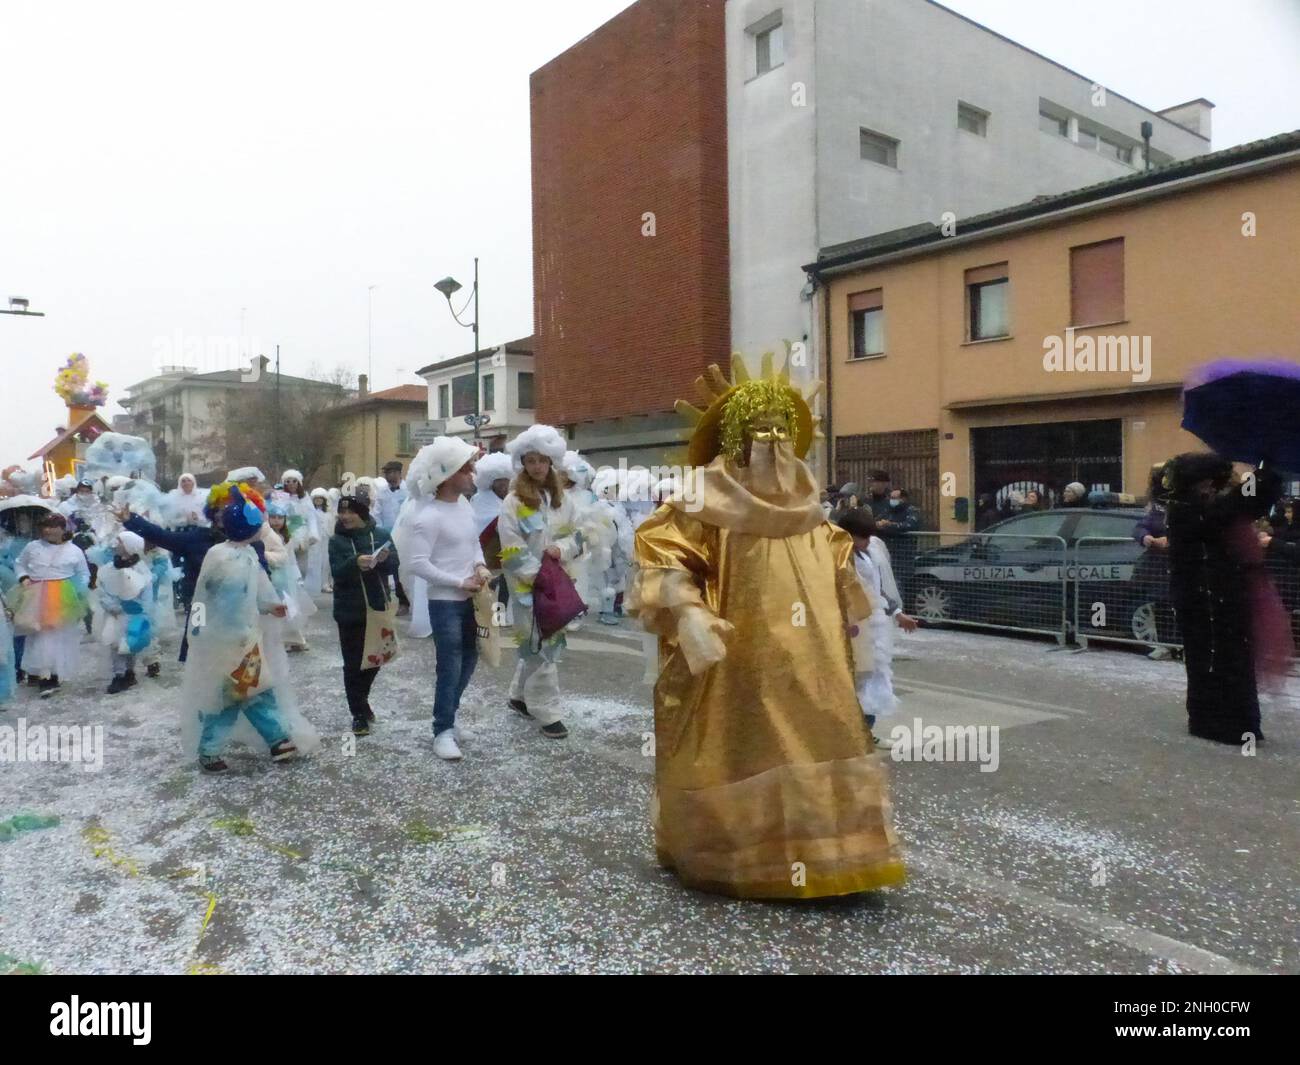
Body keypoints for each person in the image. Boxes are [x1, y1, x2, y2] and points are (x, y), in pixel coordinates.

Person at [630, 354, 904, 899]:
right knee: (746, 739)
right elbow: (665, 559)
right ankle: (741, 857)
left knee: (819, 734)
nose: (773, 440)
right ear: (736, 436)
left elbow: (837, 563)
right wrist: (688, 612)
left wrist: (860, 622)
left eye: (782, 429)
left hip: (815, 657)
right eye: (759, 428)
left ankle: (828, 856)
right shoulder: (703, 498)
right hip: (738, 653)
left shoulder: (809, 503)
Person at [181, 484, 319, 773]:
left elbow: (258, 587)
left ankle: (277, 741)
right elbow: (206, 596)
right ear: (248, 529)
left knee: (253, 690)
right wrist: (199, 629)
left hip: (246, 638)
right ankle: (215, 749)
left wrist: (271, 605)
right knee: (231, 696)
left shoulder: (248, 555)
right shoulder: (220, 556)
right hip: (224, 640)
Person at [1165, 453, 1290, 745]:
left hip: (1215, 601)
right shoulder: (1188, 510)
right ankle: (1220, 724)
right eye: (1210, 483)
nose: (1213, 489)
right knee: (1216, 662)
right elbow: (1235, 506)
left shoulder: (1194, 509)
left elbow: (1241, 505)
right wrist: (1264, 473)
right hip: (1207, 604)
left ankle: (1227, 722)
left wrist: (1264, 472)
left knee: (1224, 662)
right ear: (1199, 483)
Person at [392, 438, 490, 760]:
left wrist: (479, 565)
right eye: (466, 469)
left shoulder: (464, 507)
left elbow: (474, 543)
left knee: (470, 658)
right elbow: (418, 564)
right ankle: (442, 730)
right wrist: (459, 581)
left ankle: (450, 715)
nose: (472, 474)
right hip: (444, 601)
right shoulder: (428, 516)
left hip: (470, 598)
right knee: (450, 664)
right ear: (447, 475)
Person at [498, 424, 583, 739]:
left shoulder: (563, 501)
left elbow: (579, 535)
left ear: (551, 462)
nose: (537, 466)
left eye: (542, 460)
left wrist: (562, 549)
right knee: (541, 644)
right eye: (531, 461)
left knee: (541, 643)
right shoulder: (513, 502)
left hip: (556, 584)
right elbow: (510, 545)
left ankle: (519, 696)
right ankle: (548, 712)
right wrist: (536, 576)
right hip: (527, 587)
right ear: (523, 463)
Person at [838, 507, 919, 743]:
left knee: (872, 675)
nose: (866, 542)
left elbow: (878, 588)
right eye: (861, 537)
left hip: (874, 624)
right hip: (853, 625)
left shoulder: (868, 554)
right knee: (857, 677)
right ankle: (854, 734)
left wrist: (897, 613)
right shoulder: (839, 558)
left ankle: (866, 732)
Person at [329, 495, 400, 737]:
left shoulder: (380, 535)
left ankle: (362, 698)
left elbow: (394, 565)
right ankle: (358, 713)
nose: (345, 517)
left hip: (377, 607)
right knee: (353, 664)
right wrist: (355, 562)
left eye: (351, 512)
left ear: (363, 513)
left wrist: (383, 560)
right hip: (349, 610)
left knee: (375, 659)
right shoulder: (336, 540)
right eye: (342, 512)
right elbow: (337, 572)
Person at [13, 513, 91, 697]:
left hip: (62, 595)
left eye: (52, 526)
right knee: (37, 633)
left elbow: (83, 573)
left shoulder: (74, 550)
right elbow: (19, 563)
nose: (47, 530)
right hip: (36, 592)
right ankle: (40, 670)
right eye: (45, 526)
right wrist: (23, 578)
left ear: (62, 529)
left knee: (57, 635)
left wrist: (79, 591)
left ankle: (50, 674)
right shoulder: (33, 547)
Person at [92, 530, 154, 694]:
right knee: (115, 644)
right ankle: (119, 674)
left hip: (134, 612)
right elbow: (102, 588)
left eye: (120, 541)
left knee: (130, 643)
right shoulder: (109, 568)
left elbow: (146, 590)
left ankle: (129, 671)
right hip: (115, 614)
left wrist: (142, 609)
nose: (116, 544)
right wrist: (111, 605)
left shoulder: (141, 569)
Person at [1132, 463, 1175, 657]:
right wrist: (1146, 537)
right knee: (1161, 603)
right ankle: (1166, 645)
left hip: (1181, 562)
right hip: (1159, 566)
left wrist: (1172, 539)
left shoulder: (1186, 503)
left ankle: (1182, 645)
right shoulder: (1158, 506)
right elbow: (1141, 526)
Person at [265, 499, 316, 652]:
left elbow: (291, 558)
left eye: (280, 518)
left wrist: (295, 575)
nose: (276, 521)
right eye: (273, 517)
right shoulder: (265, 536)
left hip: (286, 575)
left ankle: (294, 638)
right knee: (275, 606)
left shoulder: (288, 536)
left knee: (290, 607)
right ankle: (278, 639)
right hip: (271, 575)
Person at [592, 467, 634, 625]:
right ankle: (607, 610)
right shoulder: (602, 507)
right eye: (615, 487)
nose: (618, 490)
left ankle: (615, 607)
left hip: (617, 550)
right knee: (607, 580)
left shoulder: (617, 506)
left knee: (617, 579)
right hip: (607, 549)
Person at [377, 460, 411, 616]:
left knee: (406, 568)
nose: (389, 476)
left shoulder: (408, 490)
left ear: (398, 473)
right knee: (393, 567)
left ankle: (411, 600)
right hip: (388, 536)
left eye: (392, 472)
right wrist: (380, 532)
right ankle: (399, 601)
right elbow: (377, 513)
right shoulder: (381, 492)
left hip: (406, 534)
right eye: (387, 473)